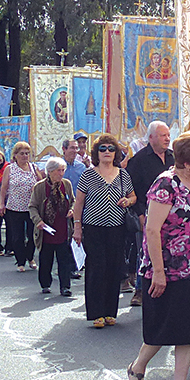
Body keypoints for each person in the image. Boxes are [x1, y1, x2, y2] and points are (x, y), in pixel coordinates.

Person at [126, 133, 190, 380]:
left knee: (188, 332)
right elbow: (152, 230)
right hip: (168, 270)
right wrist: (159, 273)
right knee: (162, 329)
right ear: (187, 162)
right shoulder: (166, 184)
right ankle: (138, 367)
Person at [74, 134, 136, 327]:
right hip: (93, 228)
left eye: (111, 149)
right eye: (103, 149)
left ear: (116, 153)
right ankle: (96, 313)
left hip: (117, 229)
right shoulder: (88, 174)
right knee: (96, 268)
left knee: (114, 268)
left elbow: (133, 196)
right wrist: (77, 227)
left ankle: (110, 312)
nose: (107, 152)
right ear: (96, 153)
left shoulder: (123, 174)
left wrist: (128, 200)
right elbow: (79, 203)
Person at [127, 121, 174, 305]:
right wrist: (139, 214)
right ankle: (140, 290)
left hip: (172, 217)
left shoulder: (173, 158)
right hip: (147, 215)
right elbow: (132, 190)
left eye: (168, 135)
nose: (167, 139)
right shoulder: (138, 160)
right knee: (144, 253)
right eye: (163, 135)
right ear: (151, 137)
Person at [32, 156, 76, 295]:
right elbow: (32, 206)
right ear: (50, 172)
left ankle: (65, 287)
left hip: (63, 229)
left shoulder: (66, 184)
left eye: (63, 170)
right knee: (46, 260)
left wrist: (72, 210)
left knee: (64, 260)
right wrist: (38, 220)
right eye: (58, 170)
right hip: (46, 230)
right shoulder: (40, 187)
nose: (61, 173)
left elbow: (73, 201)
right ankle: (45, 284)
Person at [0, 141, 39, 272]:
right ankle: (20, 261)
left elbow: (41, 183)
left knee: (33, 235)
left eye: (27, 153)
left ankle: (30, 257)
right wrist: (1, 204)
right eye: (22, 153)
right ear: (15, 155)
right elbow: (4, 188)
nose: (25, 156)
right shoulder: (10, 169)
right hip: (14, 207)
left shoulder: (33, 167)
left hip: (31, 208)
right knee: (17, 237)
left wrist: (36, 188)